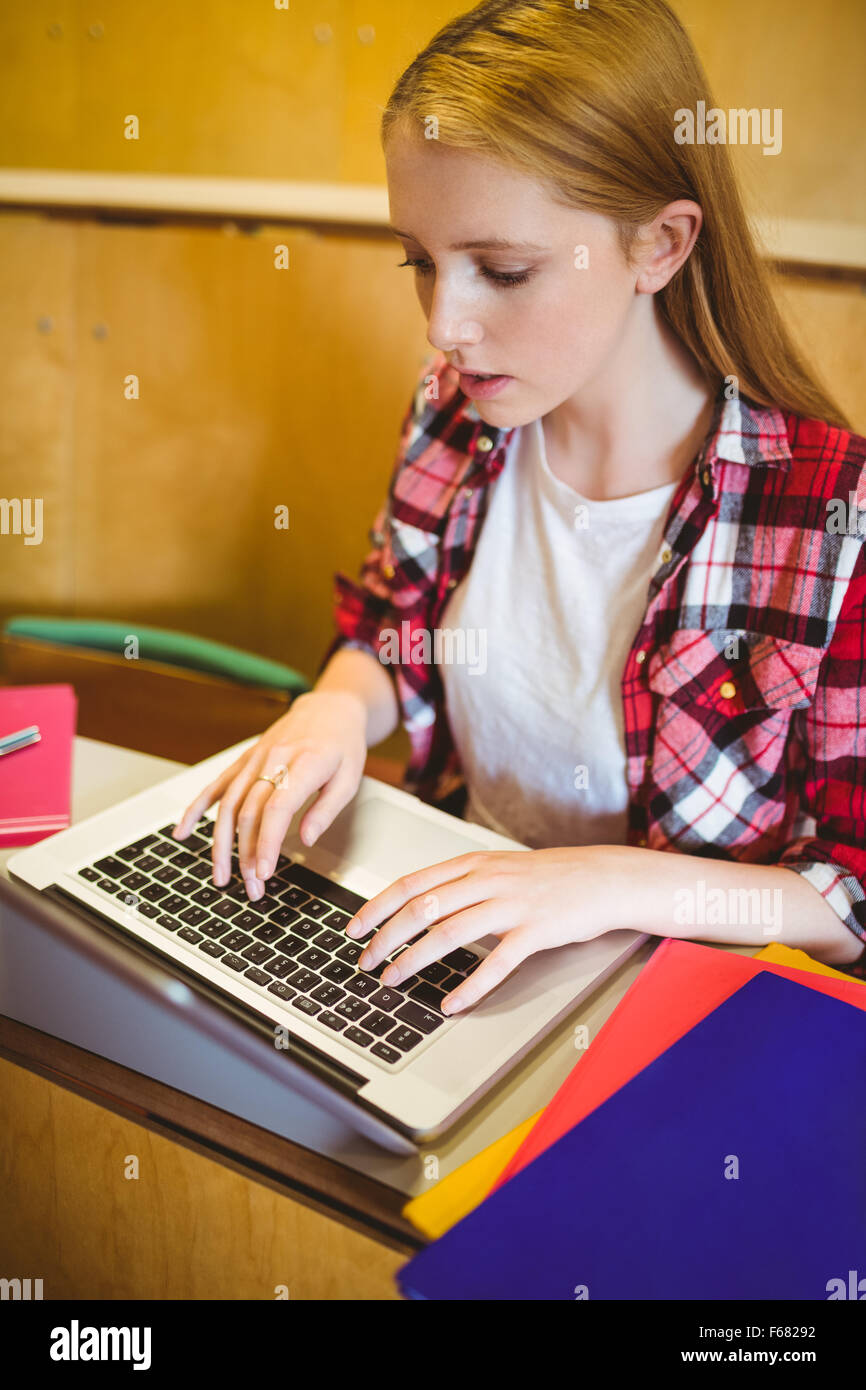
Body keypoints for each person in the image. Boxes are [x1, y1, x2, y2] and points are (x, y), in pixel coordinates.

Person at [175, 0, 866, 1013]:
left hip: (672, 1009)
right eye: (420, 261)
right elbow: (397, 627)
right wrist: (336, 705)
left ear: (659, 245)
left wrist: (606, 882)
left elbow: (850, 890)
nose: (445, 324)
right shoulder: (454, 412)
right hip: (450, 943)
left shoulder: (827, 513)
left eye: (502, 270)